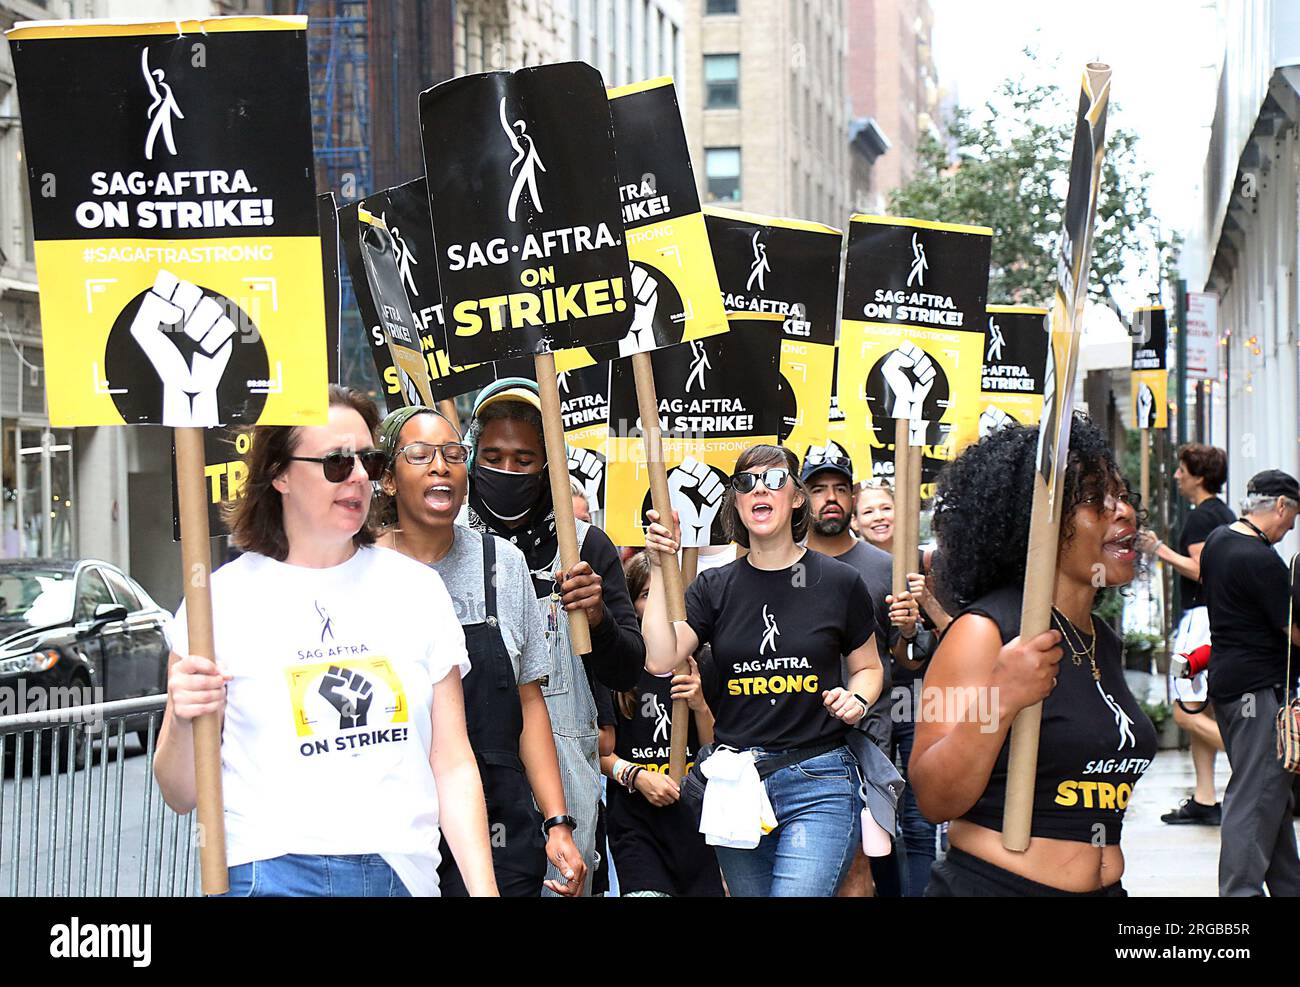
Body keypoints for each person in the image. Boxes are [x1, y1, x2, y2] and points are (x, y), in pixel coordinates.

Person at [154, 385, 498, 896]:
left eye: (369, 460)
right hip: (269, 871)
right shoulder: (217, 602)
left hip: (401, 872)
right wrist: (185, 718)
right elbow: (180, 792)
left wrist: (484, 892)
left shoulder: (417, 590)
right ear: (280, 474)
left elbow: (451, 762)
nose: (359, 476)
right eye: (336, 462)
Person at [911, 416, 1157, 896]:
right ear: (1033, 519)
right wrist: (1001, 699)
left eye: (1123, 495)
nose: (1121, 511)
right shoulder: (984, 632)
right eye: (1091, 498)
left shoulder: (1099, 638)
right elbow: (933, 797)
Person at [643, 443, 885, 897]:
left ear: (797, 498)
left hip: (819, 778)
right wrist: (660, 567)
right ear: (735, 500)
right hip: (736, 782)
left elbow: (868, 668)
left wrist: (856, 699)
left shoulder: (839, 582)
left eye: (774, 480)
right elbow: (660, 657)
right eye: (747, 483)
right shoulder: (714, 586)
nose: (761, 490)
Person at [373, 405, 586, 896]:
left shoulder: (502, 566)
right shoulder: (361, 572)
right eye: (420, 454)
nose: (440, 466)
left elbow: (529, 701)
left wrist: (557, 822)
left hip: (501, 821)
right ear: (386, 479)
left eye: (453, 454)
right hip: (398, 819)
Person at [459, 377, 645, 896]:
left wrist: (599, 618)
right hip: (467, 766)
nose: (507, 470)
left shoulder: (586, 546)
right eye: (493, 457)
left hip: (565, 778)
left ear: (550, 463)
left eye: (524, 459)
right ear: (471, 455)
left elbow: (627, 669)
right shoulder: (446, 539)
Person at [801, 443, 923, 897]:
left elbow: (908, 658)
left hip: (869, 742)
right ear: (800, 497)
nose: (829, 498)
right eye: (818, 489)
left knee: (874, 861)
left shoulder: (884, 567)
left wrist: (910, 630)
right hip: (797, 738)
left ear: (852, 497)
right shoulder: (781, 564)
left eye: (839, 488)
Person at [599, 552, 725, 897]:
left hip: (698, 828)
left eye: (666, 594)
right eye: (645, 595)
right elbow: (597, 750)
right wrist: (636, 776)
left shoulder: (705, 661)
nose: (658, 605)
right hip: (637, 826)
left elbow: (719, 749)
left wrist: (699, 705)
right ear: (630, 604)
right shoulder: (617, 666)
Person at [1199, 468, 1300, 896]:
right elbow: (1294, 631)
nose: (1292, 526)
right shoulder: (1261, 559)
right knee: (1254, 800)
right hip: (1259, 693)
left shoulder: (1220, 541)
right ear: (1279, 505)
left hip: (1230, 688)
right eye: (1292, 515)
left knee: (1270, 800)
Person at [1137, 443, 1233, 825]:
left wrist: (1159, 549)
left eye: (1181, 470)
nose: (1176, 476)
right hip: (1213, 618)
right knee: (1200, 708)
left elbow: (1202, 569)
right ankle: (1205, 799)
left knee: (1184, 713)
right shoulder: (1222, 514)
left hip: (1200, 620)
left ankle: (1265, 761)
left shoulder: (1200, 519)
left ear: (1198, 475)